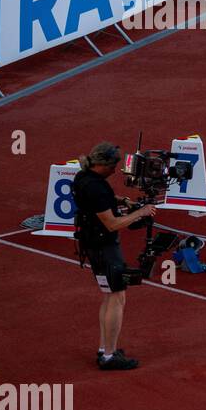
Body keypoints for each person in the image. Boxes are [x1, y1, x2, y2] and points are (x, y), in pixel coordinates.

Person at [73, 142, 149, 371]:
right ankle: (108, 355)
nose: (116, 170)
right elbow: (113, 224)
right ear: (102, 165)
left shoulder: (84, 177)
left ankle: (104, 348)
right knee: (117, 296)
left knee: (109, 295)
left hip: (92, 245)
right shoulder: (96, 187)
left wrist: (122, 201)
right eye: (113, 165)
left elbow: (101, 198)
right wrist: (139, 213)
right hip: (104, 248)